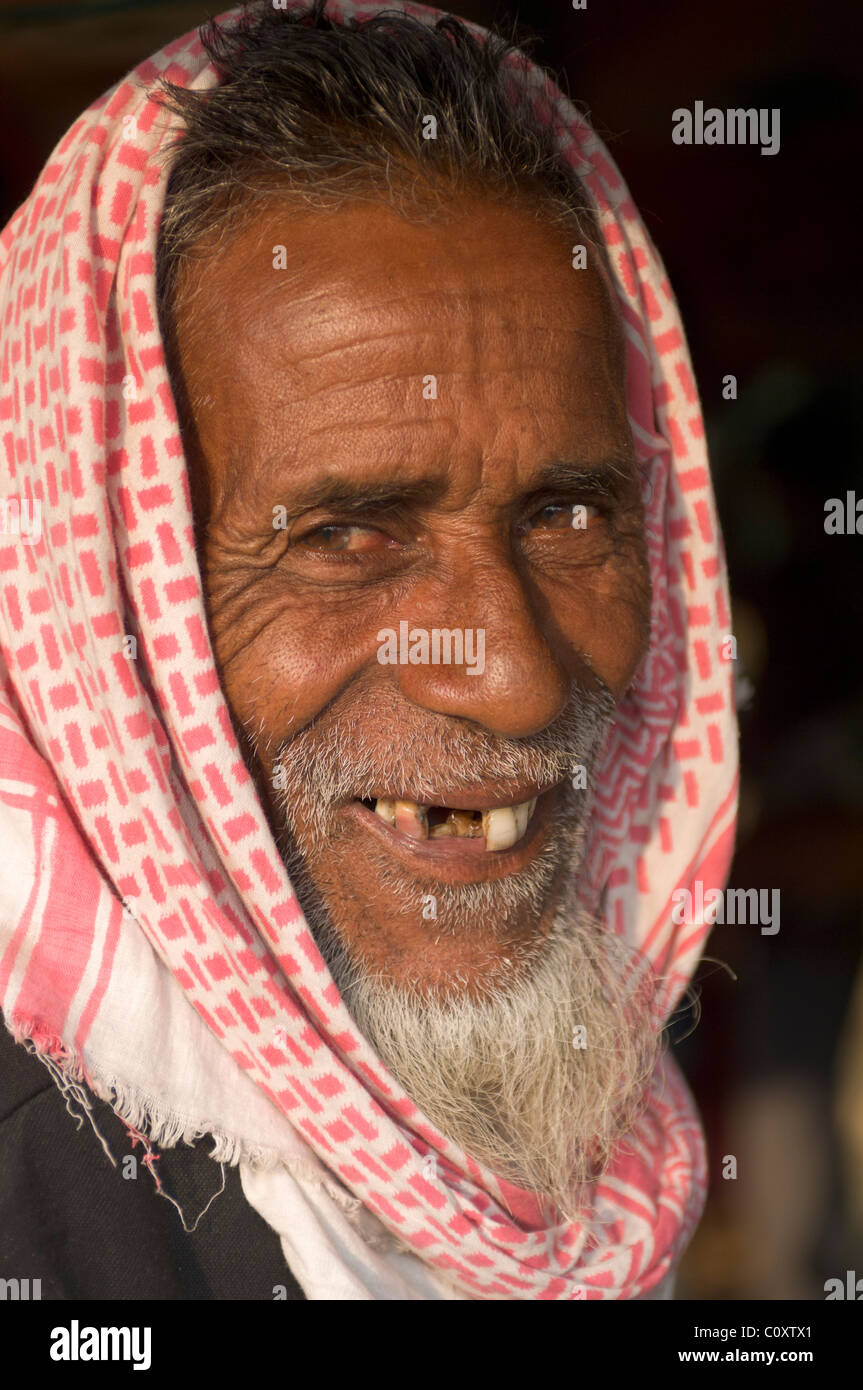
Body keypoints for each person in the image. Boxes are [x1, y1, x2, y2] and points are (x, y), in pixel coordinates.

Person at [0, 0, 738, 1300]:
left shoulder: (609, 1145)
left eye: (567, 515)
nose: (510, 675)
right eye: (347, 535)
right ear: (102, 588)